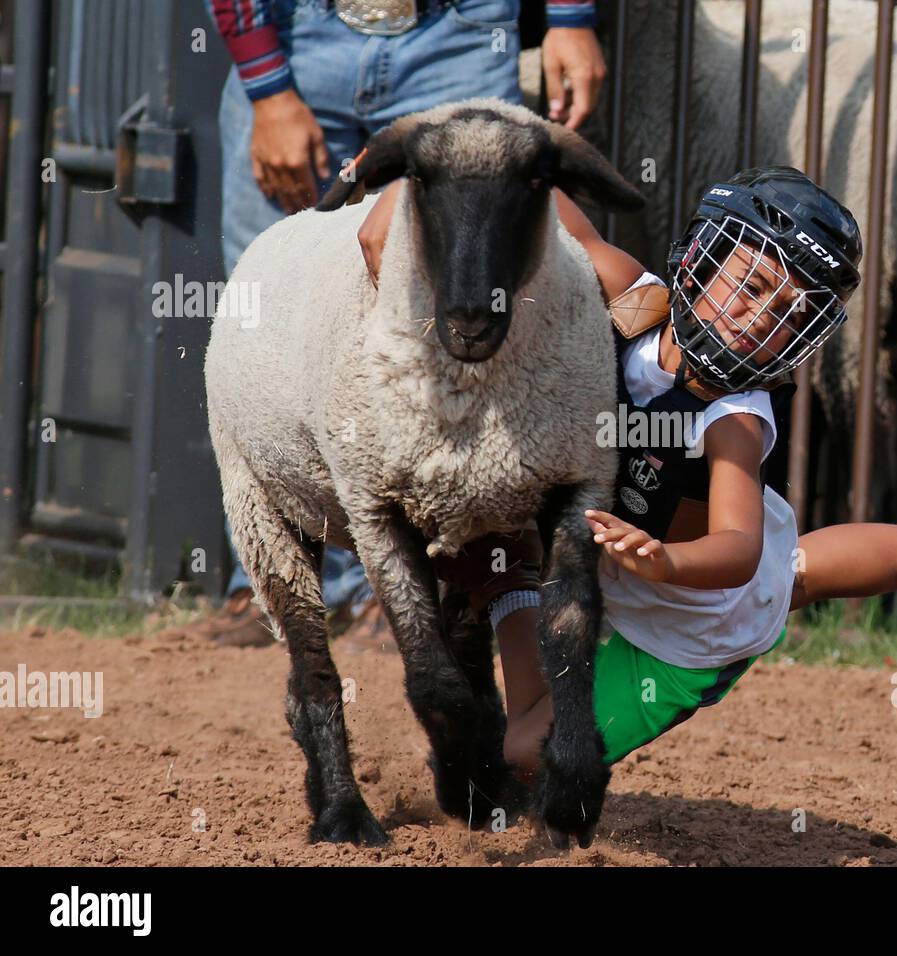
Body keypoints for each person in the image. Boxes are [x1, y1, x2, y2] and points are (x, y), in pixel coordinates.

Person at [360, 165, 897, 772]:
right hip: (638, 546)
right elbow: (557, 218)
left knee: (519, 754)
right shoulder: (636, 303)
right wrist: (440, 170)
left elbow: (735, 552)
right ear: (704, 254)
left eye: (790, 313)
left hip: (685, 628)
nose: (762, 317)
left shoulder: (736, 418)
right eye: (753, 284)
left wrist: (667, 561)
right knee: (792, 572)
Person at [198, 0, 606, 646]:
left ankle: (404, 588)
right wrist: (267, 85)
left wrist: (571, 16)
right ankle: (276, 579)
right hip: (299, 38)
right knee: (270, 315)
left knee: (468, 328)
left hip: (462, 34)